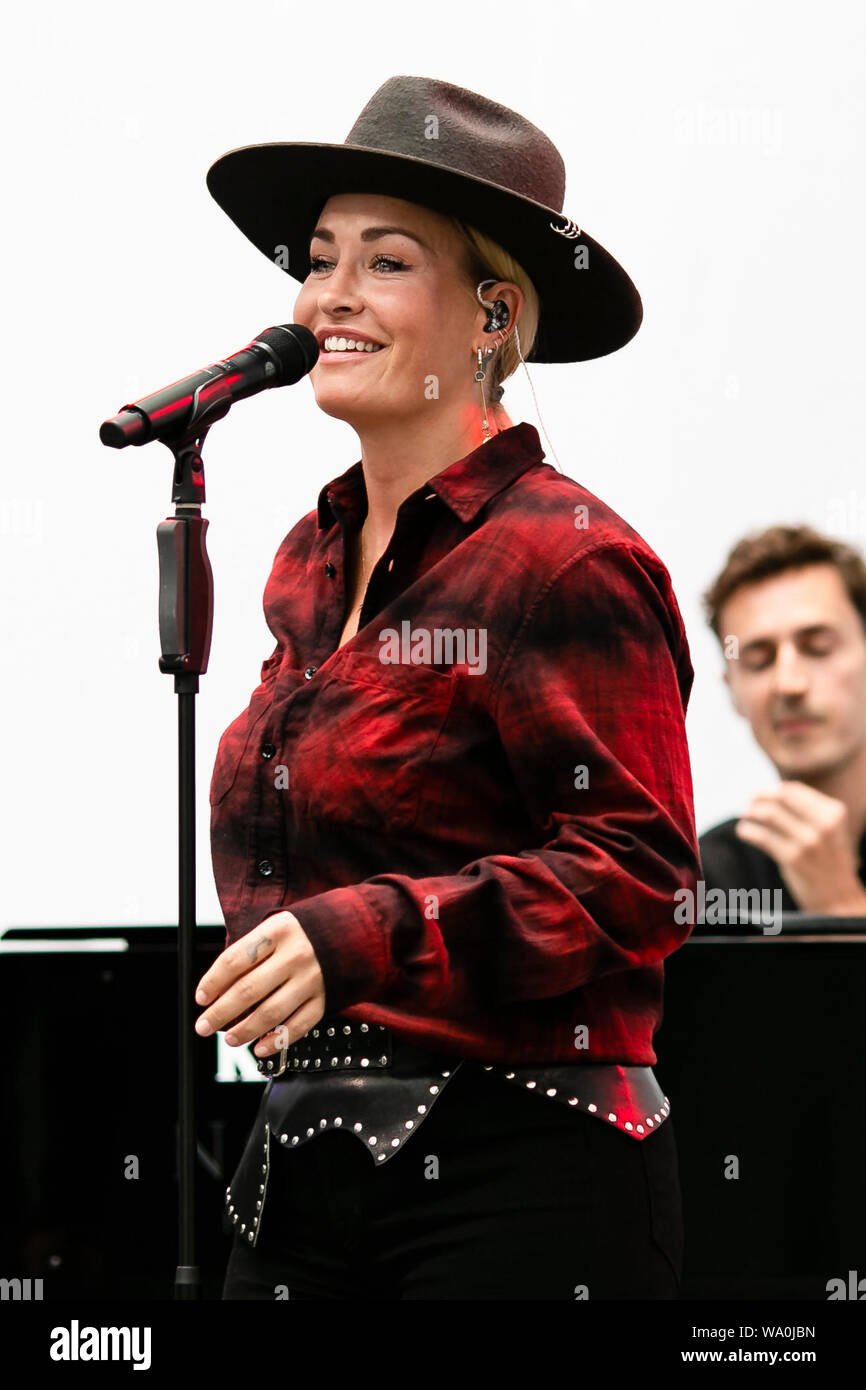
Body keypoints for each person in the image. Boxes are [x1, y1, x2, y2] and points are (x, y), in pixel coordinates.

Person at [196, 75, 700, 1300]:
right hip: (301, 1169)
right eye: (319, 260)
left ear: (492, 314)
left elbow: (639, 872)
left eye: (384, 262)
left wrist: (367, 933)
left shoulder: (565, 555)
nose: (330, 298)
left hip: (517, 1177)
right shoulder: (305, 562)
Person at [700, 524, 866, 915]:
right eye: (758, 660)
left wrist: (841, 906)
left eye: (818, 648)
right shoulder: (705, 881)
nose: (788, 684)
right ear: (731, 690)